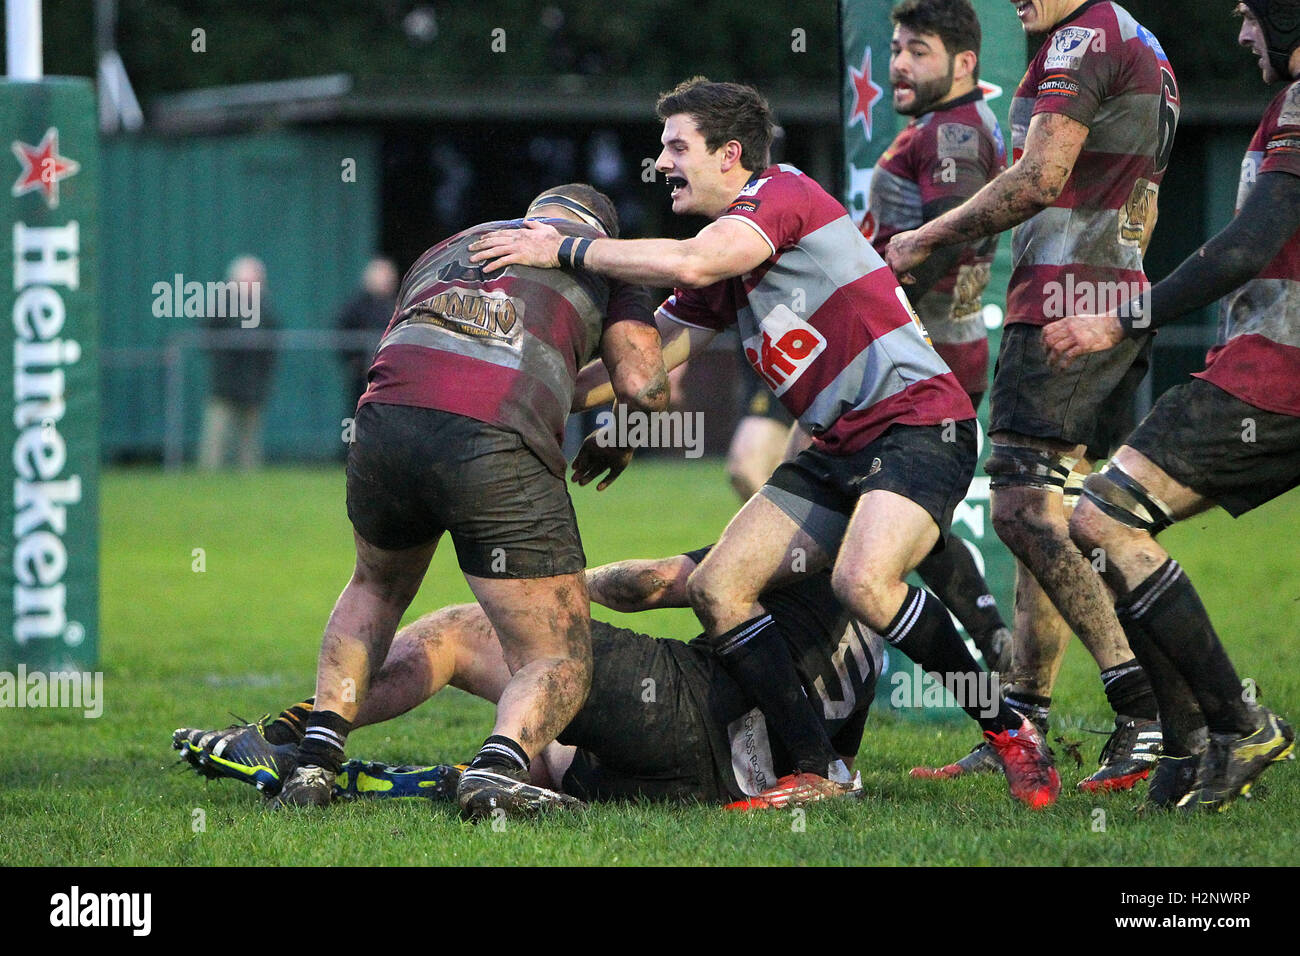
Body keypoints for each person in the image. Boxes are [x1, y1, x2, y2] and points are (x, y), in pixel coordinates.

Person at [470, 77, 1061, 809]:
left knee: (862, 584)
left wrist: (563, 248)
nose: (661, 163)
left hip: (917, 424)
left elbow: (695, 261)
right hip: (837, 446)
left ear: (732, 155)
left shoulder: (781, 194)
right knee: (719, 589)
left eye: (676, 146)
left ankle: (1010, 731)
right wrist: (535, 392)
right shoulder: (731, 257)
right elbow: (652, 360)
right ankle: (821, 770)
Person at [272, 184, 669, 820]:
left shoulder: (451, 244)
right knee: (557, 653)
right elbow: (645, 384)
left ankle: (315, 761)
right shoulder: (603, 259)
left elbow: (421, 341)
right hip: (494, 438)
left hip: (384, 420)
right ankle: (497, 771)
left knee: (374, 588)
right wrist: (622, 428)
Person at [887, 0, 1180, 792]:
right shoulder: (1133, 36)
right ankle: (1027, 720)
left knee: (1018, 507)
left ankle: (1142, 705)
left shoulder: (1081, 38)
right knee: (1041, 513)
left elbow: (1041, 178)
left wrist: (925, 234)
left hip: (1061, 307)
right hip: (1110, 300)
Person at [1041, 0, 1299, 811]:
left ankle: (1235, 725)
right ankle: (1192, 751)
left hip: (1277, 376)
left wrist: (1121, 314)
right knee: (1111, 525)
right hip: (1267, 370)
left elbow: (1247, 247)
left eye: (1254, 18)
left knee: (1102, 519)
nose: (1241, 33)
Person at [173, 547, 882, 810]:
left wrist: (574, 584)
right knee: (541, 742)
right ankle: (488, 781)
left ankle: (285, 737)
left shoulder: (805, 529)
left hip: (678, 712)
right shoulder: (871, 607)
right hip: (710, 788)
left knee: (463, 632)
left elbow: (660, 581)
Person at [864, 0, 1012, 676]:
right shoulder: (943, 125)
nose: (897, 62)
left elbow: (944, 238)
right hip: (926, 361)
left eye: (917, 50)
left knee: (861, 534)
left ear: (964, 63)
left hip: (921, 367)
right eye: (896, 48)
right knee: (907, 525)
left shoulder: (951, 132)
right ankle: (994, 643)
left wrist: (869, 325)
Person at [198, 255, 277, 470]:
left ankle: (248, 473)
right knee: (217, 435)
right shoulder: (220, 305)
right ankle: (208, 474)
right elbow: (207, 336)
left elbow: (271, 343)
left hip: (253, 384)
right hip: (224, 384)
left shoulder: (265, 308)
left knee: (250, 438)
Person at [336, 256, 399, 410]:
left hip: (391, 373)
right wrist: (355, 360)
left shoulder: (395, 304)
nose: (386, 281)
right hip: (364, 374)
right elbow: (341, 331)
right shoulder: (357, 305)